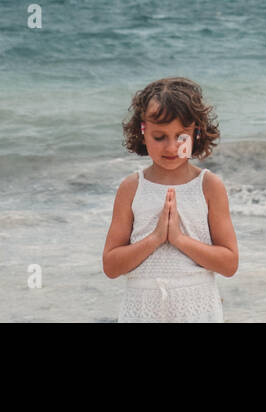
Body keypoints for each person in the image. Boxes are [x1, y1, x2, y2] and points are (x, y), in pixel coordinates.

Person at [102, 77, 238, 322]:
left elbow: (229, 264)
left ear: (196, 132)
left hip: (197, 308)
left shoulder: (209, 186)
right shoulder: (132, 188)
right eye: (159, 137)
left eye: (181, 136)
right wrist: (155, 239)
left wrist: (178, 239)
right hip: (141, 310)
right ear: (143, 132)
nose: (171, 146)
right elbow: (111, 266)